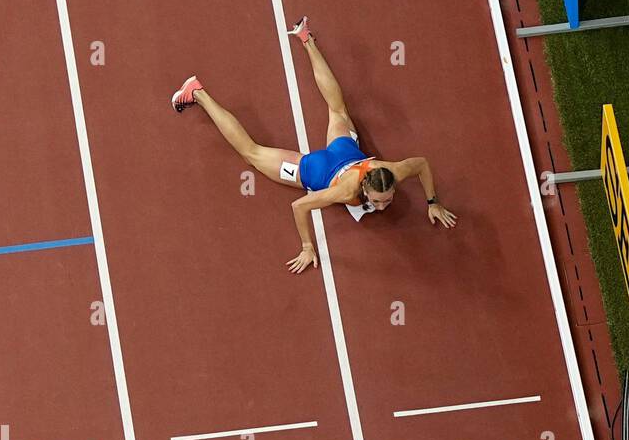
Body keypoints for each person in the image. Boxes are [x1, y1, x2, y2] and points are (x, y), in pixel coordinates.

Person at [171, 16, 456, 274]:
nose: (382, 206)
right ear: (365, 188)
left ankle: (305, 36)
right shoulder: (344, 191)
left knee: (338, 111)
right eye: (378, 201)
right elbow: (299, 206)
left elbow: (421, 163)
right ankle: (197, 93)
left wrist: (433, 202)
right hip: (316, 171)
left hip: (347, 152)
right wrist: (308, 247)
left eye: (387, 199)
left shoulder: (392, 170)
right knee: (251, 153)